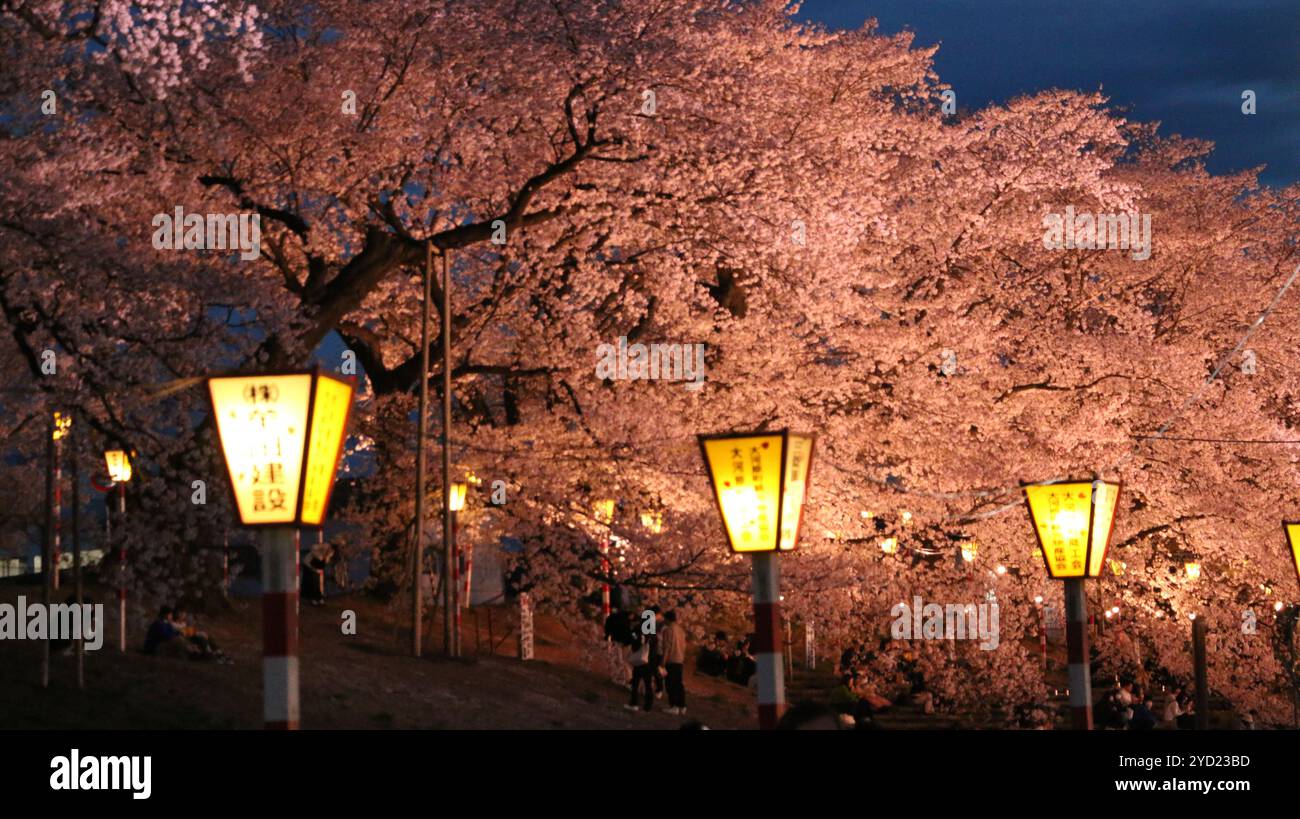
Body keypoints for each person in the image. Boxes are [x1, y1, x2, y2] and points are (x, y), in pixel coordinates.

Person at [661, 609, 687, 715]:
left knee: (670, 684)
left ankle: (674, 706)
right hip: (680, 660)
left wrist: (663, 662)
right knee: (679, 684)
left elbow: (666, 647)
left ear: (667, 619)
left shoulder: (668, 630)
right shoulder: (681, 630)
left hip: (671, 660)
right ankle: (682, 706)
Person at [623, 631, 654, 712]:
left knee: (635, 684)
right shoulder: (654, 636)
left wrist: (633, 633)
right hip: (650, 663)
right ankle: (648, 706)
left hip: (640, 663)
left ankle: (634, 704)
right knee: (648, 685)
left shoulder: (640, 634)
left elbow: (635, 646)